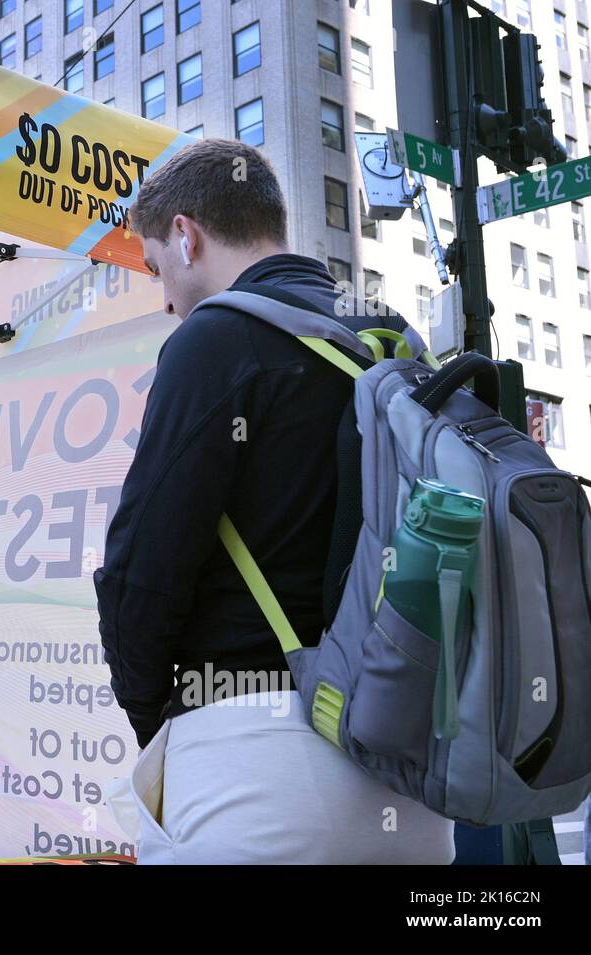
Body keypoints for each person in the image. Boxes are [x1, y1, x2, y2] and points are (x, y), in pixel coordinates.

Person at [94, 138, 456, 863]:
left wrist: (157, 717)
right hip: (412, 775)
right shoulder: (394, 343)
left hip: (257, 761)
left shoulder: (217, 338)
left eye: (157, 266)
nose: (165, 298)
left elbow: (141, 569)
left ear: (186, 236)